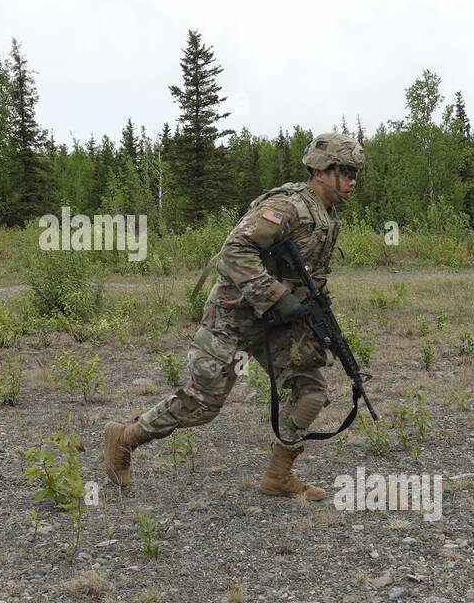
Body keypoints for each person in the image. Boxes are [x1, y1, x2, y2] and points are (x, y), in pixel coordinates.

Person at [104, 133, 366, 497]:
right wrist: (274, 294)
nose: (353, 180)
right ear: (321, 171)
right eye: (345, 171)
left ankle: (278, 475)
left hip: (278, 323)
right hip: (235, 318)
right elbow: (234, 251)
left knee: (311, 390)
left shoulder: (326, 216)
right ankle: (125, 438)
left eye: (356, 173)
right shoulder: (288, 208)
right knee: (203, 404)